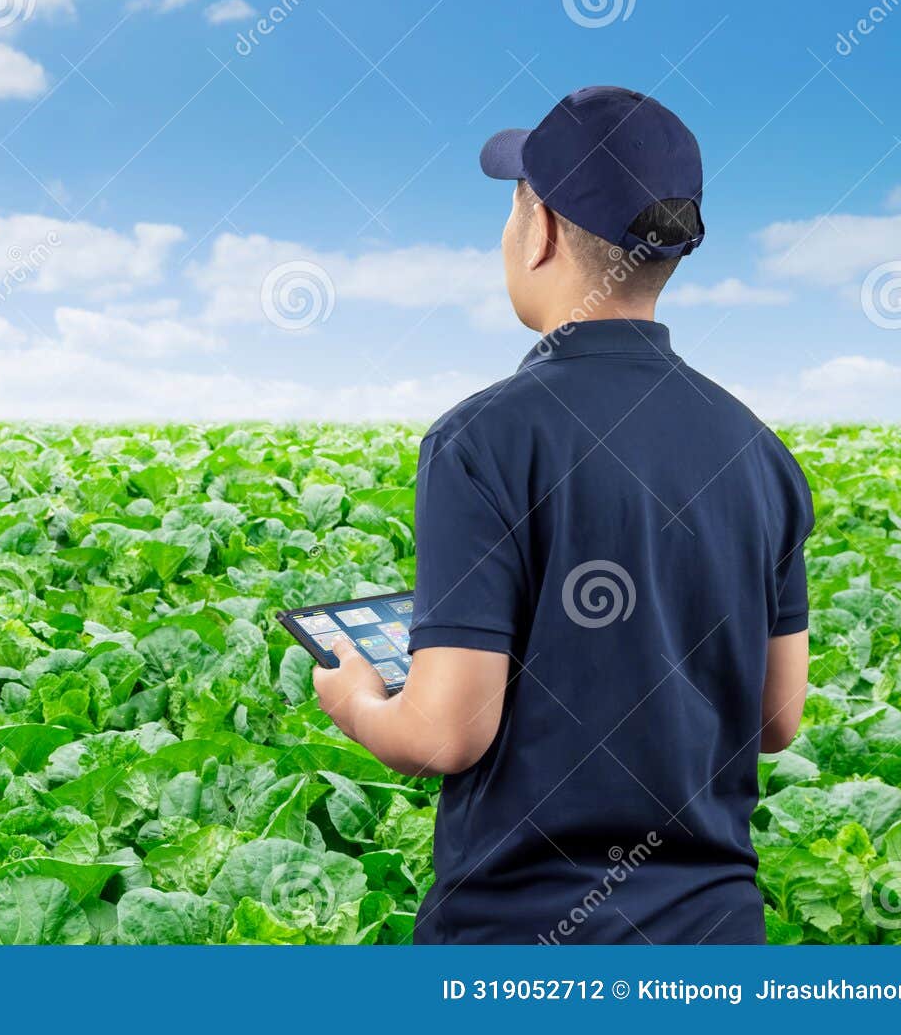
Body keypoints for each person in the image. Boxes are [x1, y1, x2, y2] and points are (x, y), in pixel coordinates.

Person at [312, 86, 813, 945]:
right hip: (716, 937)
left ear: (539, 229)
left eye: (512, 209)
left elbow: (445, 732)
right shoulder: (758, 449)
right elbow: (776, 718)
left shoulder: (482, 439)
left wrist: (357, 699)